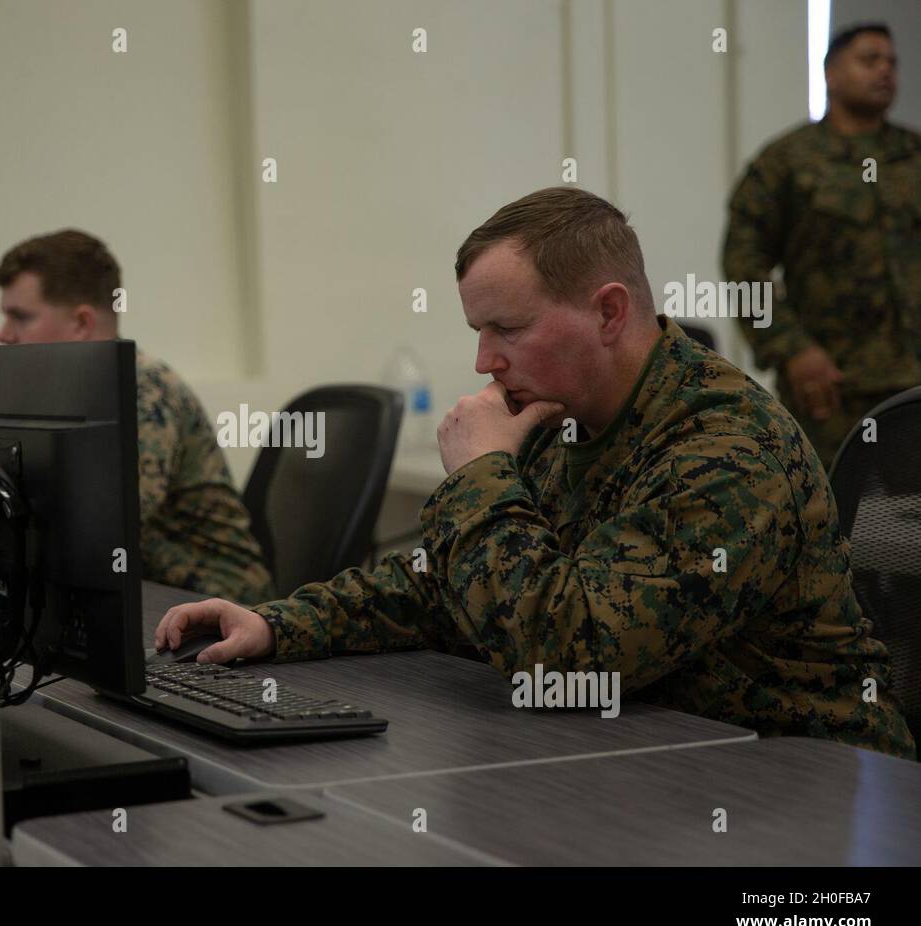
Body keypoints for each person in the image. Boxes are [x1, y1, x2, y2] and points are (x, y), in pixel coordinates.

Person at [156, 187, 915, 760]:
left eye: (507, 329)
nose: (485, 361)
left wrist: (482, 475)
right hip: (657, 753)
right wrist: (279, 624)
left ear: (609, 313)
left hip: (801, 783)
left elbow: (570, 651)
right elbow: (439, 586)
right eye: (478, 332)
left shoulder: (727, 447)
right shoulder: (562, 415)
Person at [0, 230, 276, 606]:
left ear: (80, 322)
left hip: (217, 604)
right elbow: (28, 513)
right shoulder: (63, 396)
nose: (3, 333)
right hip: (138, 597)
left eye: (21, 317)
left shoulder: (143, 393)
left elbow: (98, 532)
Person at [723, 23, 921, 466]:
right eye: (870, 60)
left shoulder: (914, 154)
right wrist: (791, 349)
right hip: (832, 388)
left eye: (892, 62)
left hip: (914, 384)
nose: (885, 70)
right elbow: (743, 266)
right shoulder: (788, 161)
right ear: (831, 74)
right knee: (834, 516)